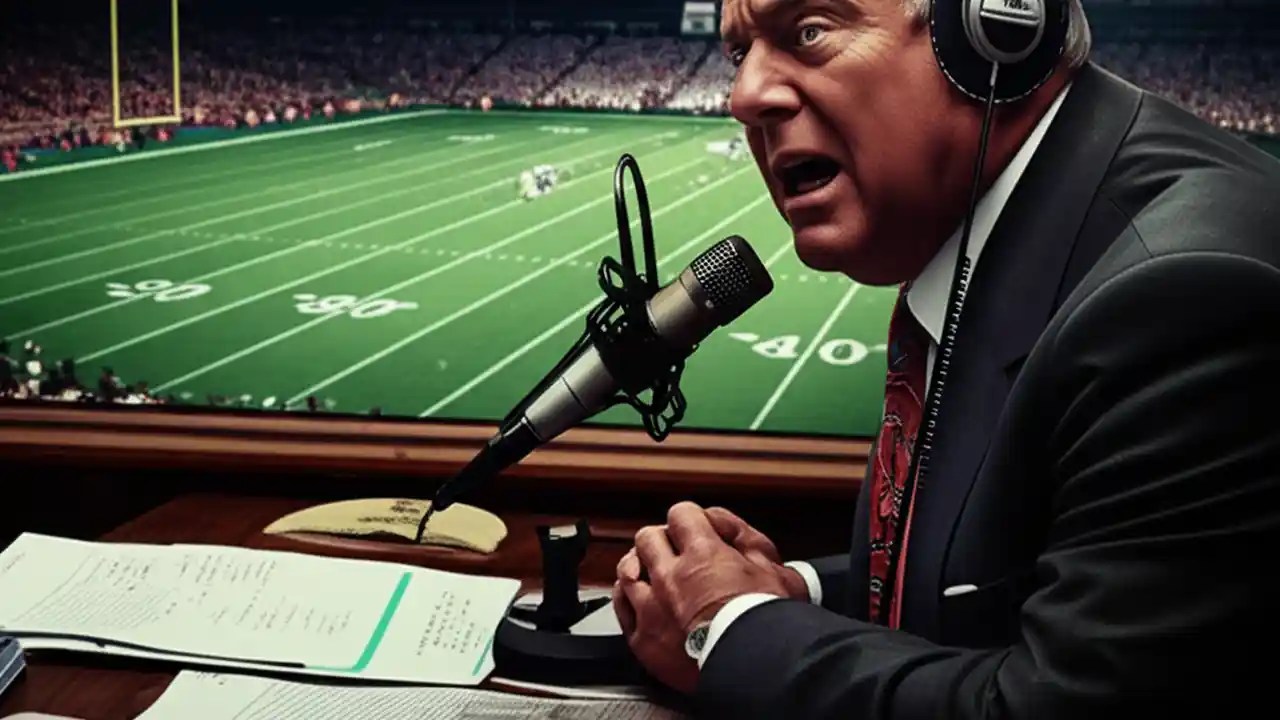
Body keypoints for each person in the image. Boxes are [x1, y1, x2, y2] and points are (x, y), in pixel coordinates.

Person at [612, 0, 1280, 717]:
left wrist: (729, 630)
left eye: (809, 31)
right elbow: (1031, 576)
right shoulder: (1026, 227)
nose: (745, 97)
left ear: (997, 30)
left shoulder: (1186, 299)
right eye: (739, 55)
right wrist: (785, 592)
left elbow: (1057, 706)